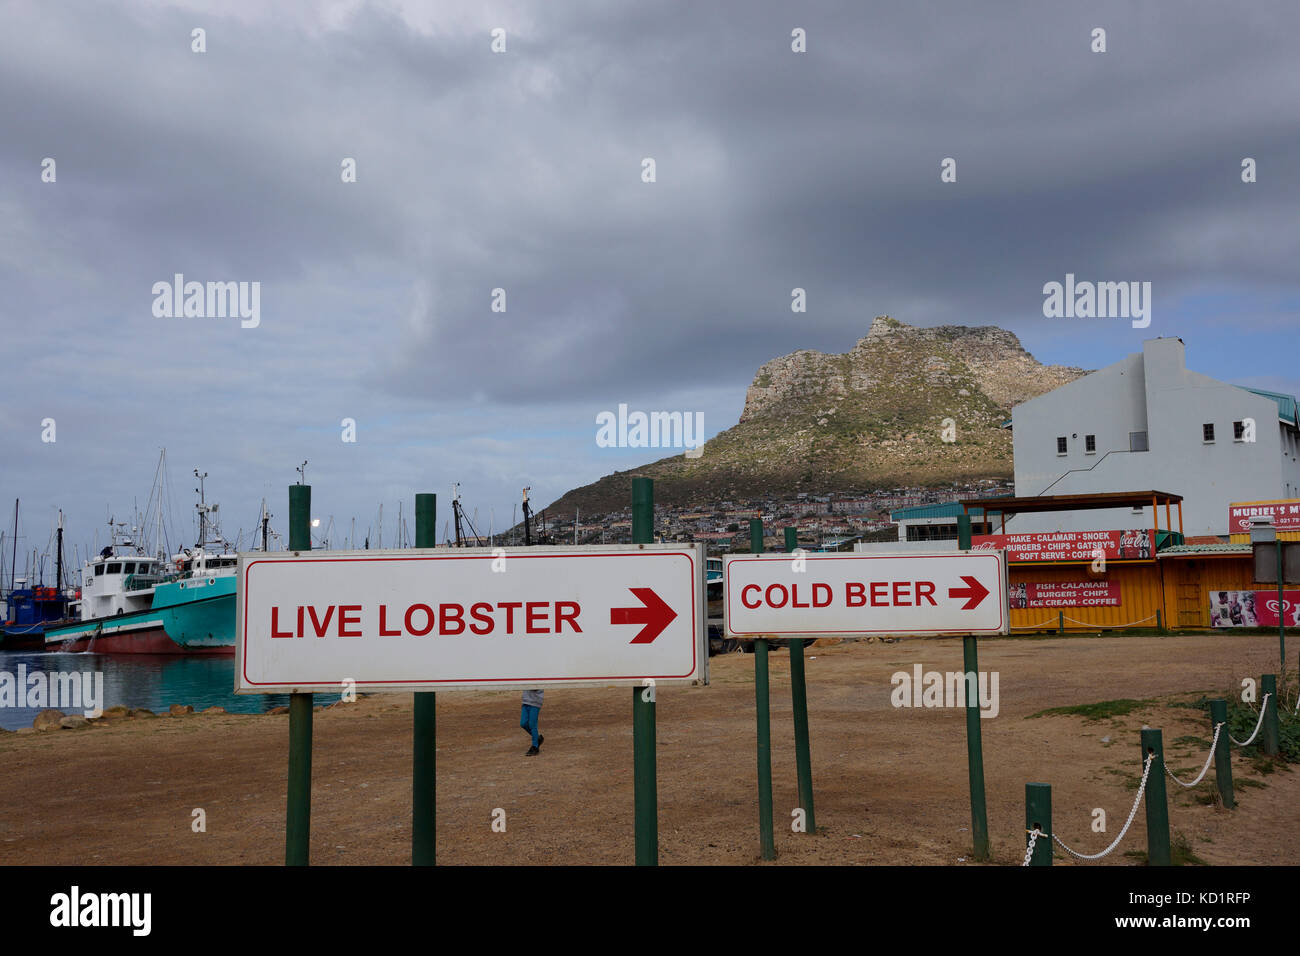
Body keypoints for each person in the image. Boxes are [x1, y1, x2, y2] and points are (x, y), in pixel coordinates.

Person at [520, 689, 544, 756]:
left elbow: (537, 687)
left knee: (532, 724)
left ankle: (535, 747)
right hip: (525, 701)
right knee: (523, 723)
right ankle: (537, 738)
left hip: (535, 702)